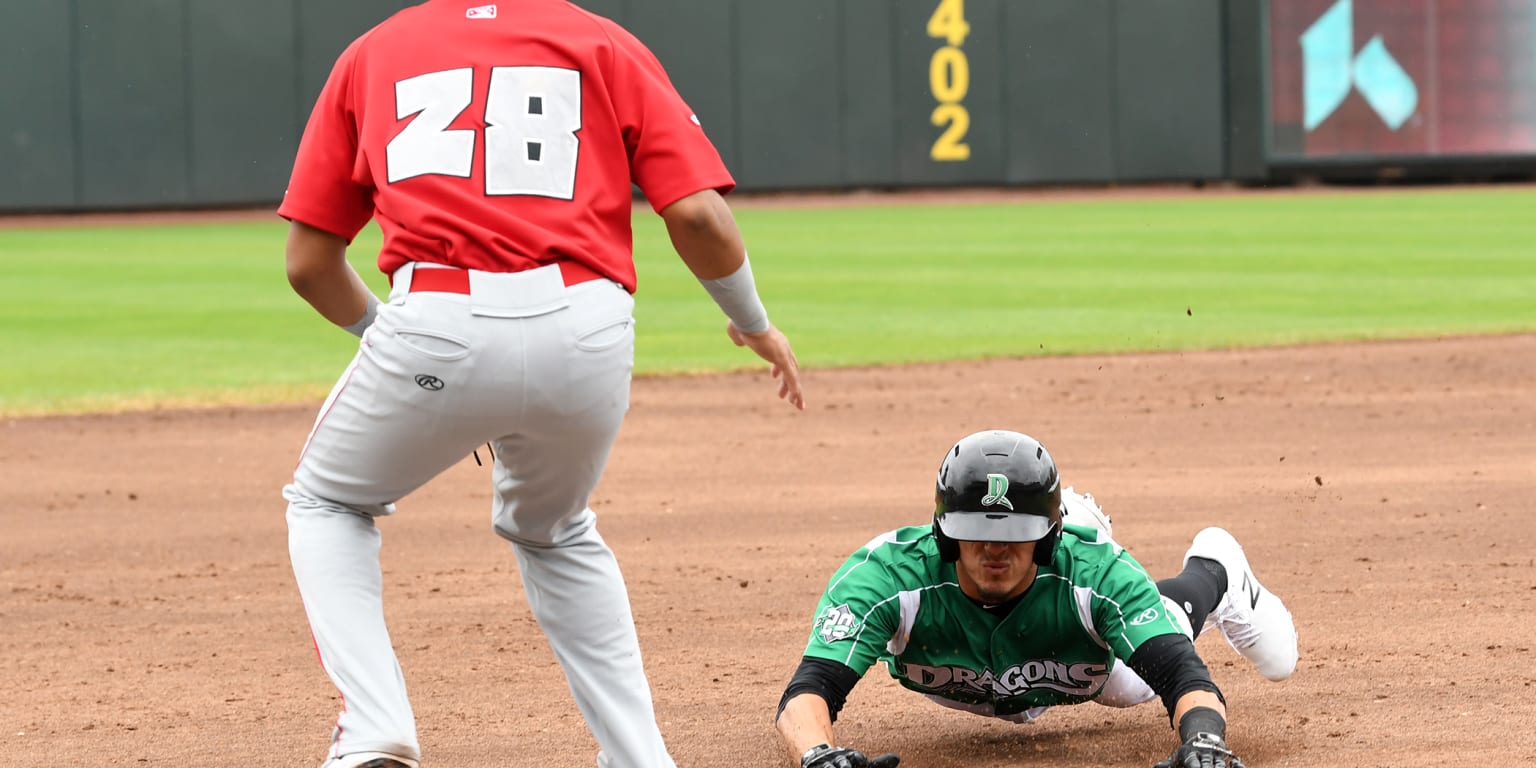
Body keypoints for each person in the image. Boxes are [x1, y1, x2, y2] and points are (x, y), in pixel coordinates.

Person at [277, 2, 803, 767]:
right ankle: (638, 758)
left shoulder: (372, 52)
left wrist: (400, 351)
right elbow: (698, 217)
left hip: (438, 312)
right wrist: (754, 324)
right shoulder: (600, 40)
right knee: (554, 528)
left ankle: (373, 729)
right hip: (589, 329)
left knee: (326, 502)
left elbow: (307, 263)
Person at [775, 430, 1299, 768]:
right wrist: (818, 757)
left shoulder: (1096, 574)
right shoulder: (887, 576)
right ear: (943, 534)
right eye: (974, 531)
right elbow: (809, 689)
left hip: (1079, 651)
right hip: (994, 664)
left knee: (1139, 680)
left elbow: (1186, 678)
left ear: (1047, 538)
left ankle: (1215, 570)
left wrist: (1205, 741)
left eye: (1014, 534)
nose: (992, 550)